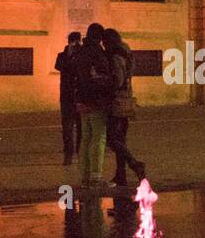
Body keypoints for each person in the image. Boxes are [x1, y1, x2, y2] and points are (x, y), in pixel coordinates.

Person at [103, 28, 147, 186]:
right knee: (121, 138)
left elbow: (118, 80)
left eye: (104, 42)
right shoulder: (126, 51)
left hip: (117, 101)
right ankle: (120, 175)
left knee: (111, 138)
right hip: (126, 98)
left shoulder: (115, 55)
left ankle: (134, 164)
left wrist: (105, 83)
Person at [72, 23, 113, 187]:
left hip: (82, 100)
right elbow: (104, 75)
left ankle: (85, 177)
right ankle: (96, 176)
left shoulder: (80, 51)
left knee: (85, 138)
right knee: (99, 137)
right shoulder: (98, 53)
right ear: (99, 38)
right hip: (96, 100)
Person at [54, 31, 82, 165]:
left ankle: (80, 149)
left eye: (78, 41)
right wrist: (69, 54)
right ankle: (68, 151)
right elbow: (59, 66)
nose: (76, 44)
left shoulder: (83, 55)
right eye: (74, 41)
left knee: (81, 125)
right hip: (67, 95)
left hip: (81, 95)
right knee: (67, 125)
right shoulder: (62, 55)